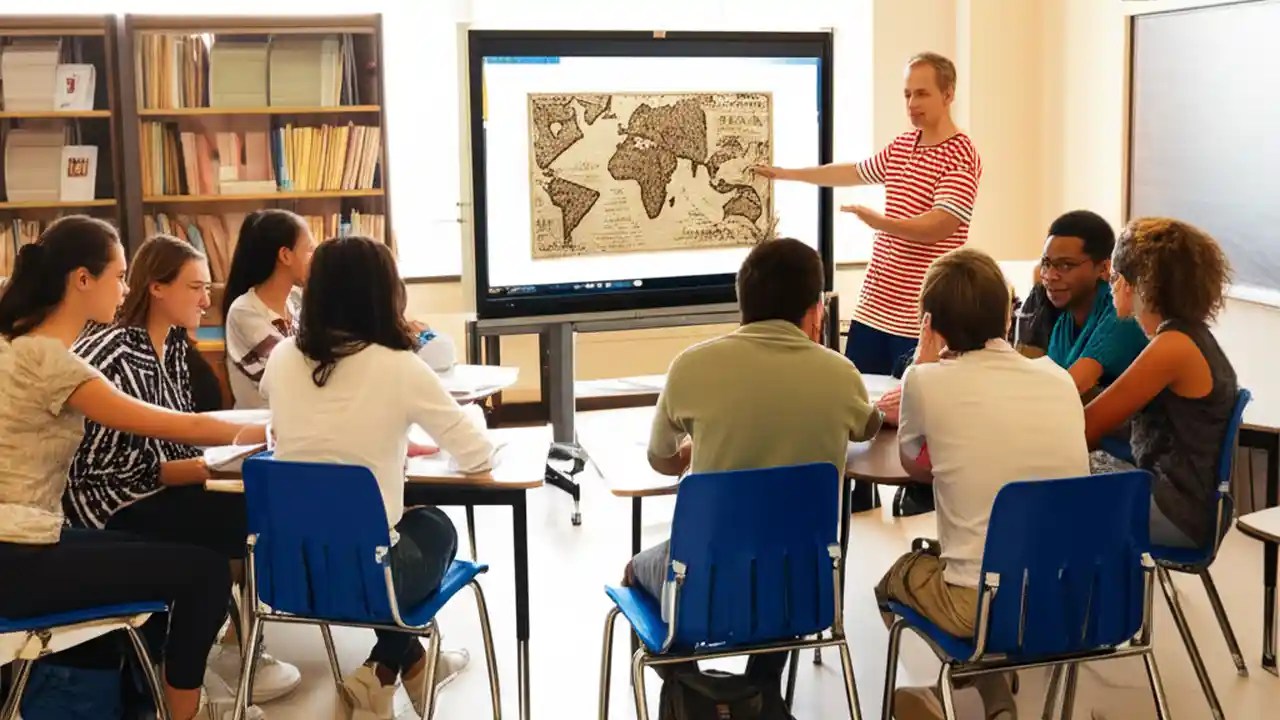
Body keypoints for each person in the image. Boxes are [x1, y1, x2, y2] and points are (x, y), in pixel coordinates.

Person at [0, 215, 267, 720]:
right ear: (82, 279)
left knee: (178, 554)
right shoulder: (54, 361)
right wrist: (275, 429)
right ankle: (178, 712)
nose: (126, 290)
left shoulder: (16, 345)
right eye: (119, 276)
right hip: (18, 556)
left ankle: (153, 700)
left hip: (31, 539)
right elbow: (176, 428)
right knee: (205, 572)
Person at [624, 237, 883, 696]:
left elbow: (660, 460)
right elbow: (866, 428)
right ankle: (758, 693)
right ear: (816, 310)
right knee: (779, 562)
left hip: (707, 580)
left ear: (741, 303)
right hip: (805, 586)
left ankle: (697, 690)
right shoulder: (841, 373)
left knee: (636, 571)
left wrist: (689, 453)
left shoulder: (691, 366)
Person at [261, 235, 493, 720]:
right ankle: (398, 665)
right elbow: (476, 457)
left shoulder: (282, 358)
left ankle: (386, 673)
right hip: (370, 576)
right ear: (386, 292)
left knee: (371, 541)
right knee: (432, 525)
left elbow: (286, 432)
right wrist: (468, 417)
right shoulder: (397, 366)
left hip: (292, 572)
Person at [65, 234, 302, 705]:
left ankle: (192, 666)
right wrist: (197, 468)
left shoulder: (172, 344)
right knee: (246, 531)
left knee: (255, 520)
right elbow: (89, 468)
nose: (207, 298)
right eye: (195, 287)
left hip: (158, 488)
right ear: (156, 288)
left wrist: (247, 443)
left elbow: (181, 431)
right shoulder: (111, 351)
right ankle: (188, 677)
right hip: (107, 508)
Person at [756, 51, 981, 516]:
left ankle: (915, 489)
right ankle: (855, 490)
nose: (912, 103)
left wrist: (881, 221)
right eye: (906, 93)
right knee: (855, 402)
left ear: (948, 94)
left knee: (914, 412)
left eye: (921, 93)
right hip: (875, 306)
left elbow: (942, 224)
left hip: (922, 314)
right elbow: (852, 172)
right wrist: (788, 174)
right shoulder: (902, 146)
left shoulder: (962, 153)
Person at [878, 247, 1088, 720]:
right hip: (1071, 598)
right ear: (1009, 309)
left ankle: (942, 692)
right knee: (992, 559)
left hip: (979, 604)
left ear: (929, 321)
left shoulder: (925, 380)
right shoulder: (1057, 378)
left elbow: (915, 467)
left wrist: (925, 360)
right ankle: (996, 701)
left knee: (893, 583)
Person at [1085, 218, 1237, 550]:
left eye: (1113, 278)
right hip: (1186, 506)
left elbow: (1088, 426)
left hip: (1176, 513)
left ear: (1129, 283)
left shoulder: (1172, 346)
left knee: (1044, 492)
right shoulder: (1189, 337)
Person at [1037, 210, 1149, 398]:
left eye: (1065, 265)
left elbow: (1069, 389)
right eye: (1046, 263)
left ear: (1104, 268)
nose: (1050, 276)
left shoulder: (1122, 314)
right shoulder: (1064, 322)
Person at [222, 209, 315, 409]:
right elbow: (292, 375)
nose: (315, 258)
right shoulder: (244, 311)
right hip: (259, 428)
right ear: (285, 255)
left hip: (295, 420)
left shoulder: (297, 299)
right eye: (309, 250)